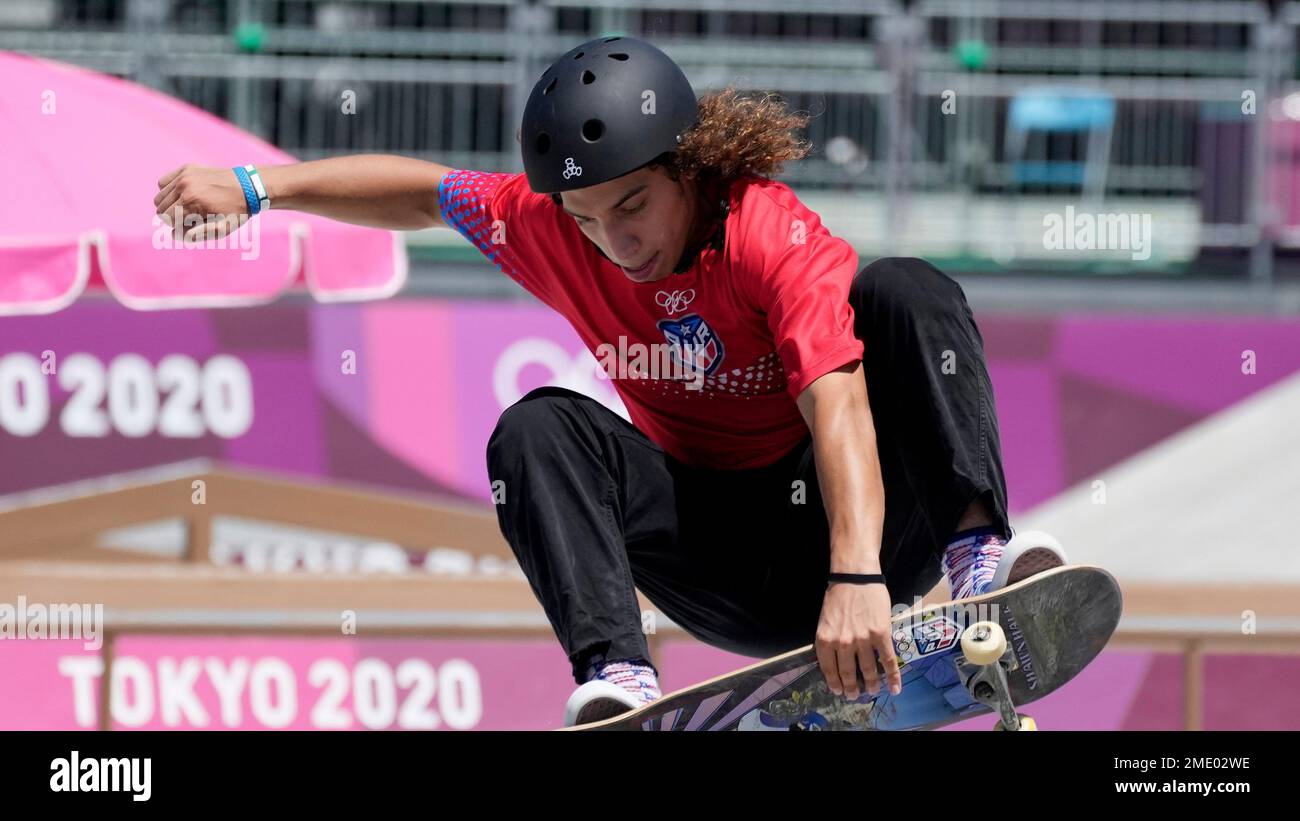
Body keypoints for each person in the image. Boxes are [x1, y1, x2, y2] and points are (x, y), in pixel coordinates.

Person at [155, 35, 1066, 729]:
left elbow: (838, 406)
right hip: (717, 558)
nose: (617, 243)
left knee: (906, 291)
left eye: (633, 206)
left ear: (690, 168)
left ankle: (976, 564)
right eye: (589, 220)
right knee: (536, 427)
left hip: (854, 528)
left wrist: (857, 574)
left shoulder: (765, 234)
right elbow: (423, 194)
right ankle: (619, 678)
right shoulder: (547, 224)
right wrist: (257, 187)